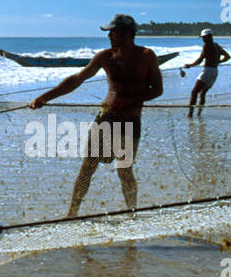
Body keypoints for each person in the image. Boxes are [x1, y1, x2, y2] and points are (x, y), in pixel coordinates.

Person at [29, 14, 164, 217]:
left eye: (113, 31)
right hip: (106, 119)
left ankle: (132, 214)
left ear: (126, 32)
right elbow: (77, 79)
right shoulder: (105, 57)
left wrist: (130, 100)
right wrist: (45, 97)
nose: (109, 35)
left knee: (124, 170)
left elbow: (157, 89)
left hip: (130, 122)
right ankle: (71, 214)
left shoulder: (146, 56)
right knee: (88, 167)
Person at [182, 28, 231, 117]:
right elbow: (227, 57)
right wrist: (218, 62)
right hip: (215, 72)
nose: (203, 39)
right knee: (202, 93)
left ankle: (190, 114)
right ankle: (199, 114)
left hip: (207, 71)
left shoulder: (206, 45)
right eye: (203, 37)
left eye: (205, 37)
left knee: (194, 92)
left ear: (210, 37)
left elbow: (200, 60)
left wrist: (190, 65)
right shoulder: (216, 45)